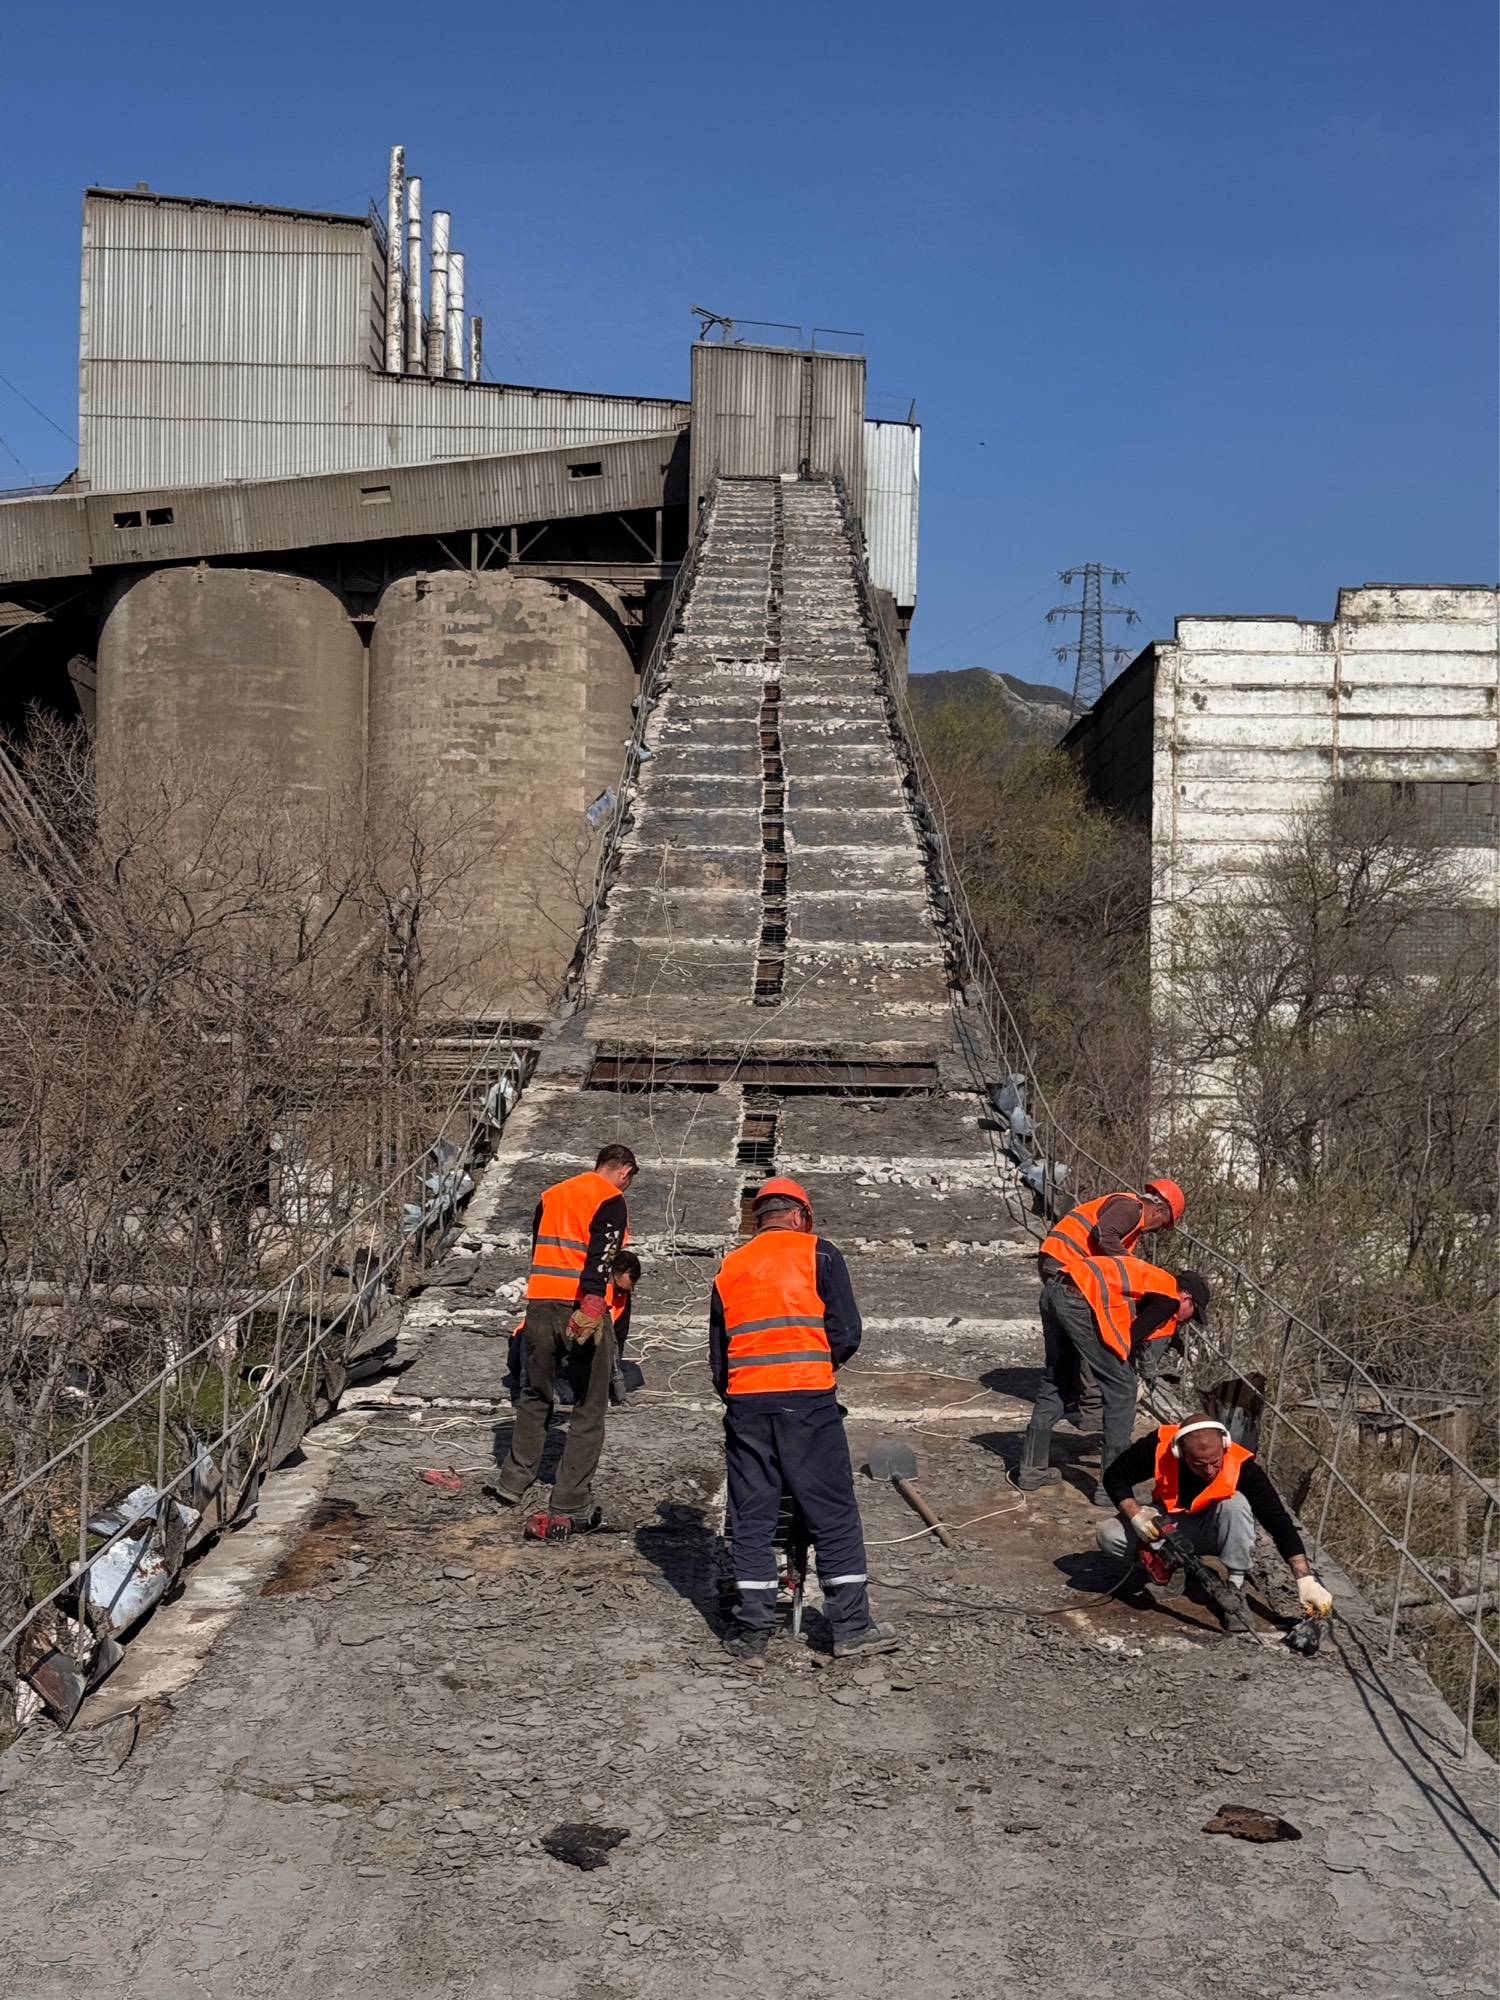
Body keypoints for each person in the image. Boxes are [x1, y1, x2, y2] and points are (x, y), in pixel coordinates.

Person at [708, 1177, 896, 1665]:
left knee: (752, 1519)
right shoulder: (820, 1253)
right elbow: (847, 1331)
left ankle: (752, 1631)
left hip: (746, 1405)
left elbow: (718, 1361)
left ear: (760, 1217)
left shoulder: (731, 1266)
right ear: (799, 1216)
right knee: (832, 1514)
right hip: (807, 1402)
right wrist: (813, 1365)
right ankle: (851, 1628)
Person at [1017, 1177, 1206, 1502]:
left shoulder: (1143, 1278)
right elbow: (1131, 1339)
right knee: (1122, 1390)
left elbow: (1125, 1329)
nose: (1189, 1320)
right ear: (1186, 1298)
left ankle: (1031, 1471)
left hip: (1056, 1289)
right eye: (1194, 1312)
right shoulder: (1165, 1291)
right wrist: (1131, 1366)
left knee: (1057, 1378)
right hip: (1074, 1290)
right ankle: (1112, 1488)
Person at [492, 1145, 637, 1542]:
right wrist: (592, 1300)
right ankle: (570, 1500)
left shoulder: (553, 1194)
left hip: (539, 1305)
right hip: (579, 1309)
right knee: (590, 1406)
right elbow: (602, 1256)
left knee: (534, 1393)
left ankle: (513, 1480)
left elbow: (540, 1245)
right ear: (623, 1170)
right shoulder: (610, 1199)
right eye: (629, 1177)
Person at [1097, 1413, 1334, 1627]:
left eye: (1215, 1462)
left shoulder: (1242, 1466)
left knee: (1236, 1503)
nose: (1210, 1471)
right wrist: (1136, 1515)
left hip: (1214, 1530)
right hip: (1169, 1526)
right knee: (1109, 1534)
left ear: (1224, 1446)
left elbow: (1277, 1520)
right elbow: (1115, 1475)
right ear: (1180, 1452)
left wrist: (1305, 1579)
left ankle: (1235, 1588)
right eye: (1199, 1465)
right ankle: (1172, 1569)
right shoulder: (1159, 1447)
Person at [607, 1250, 641, 1409]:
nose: (622, 1295)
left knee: (634, 1373)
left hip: (601, 1357)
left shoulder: (623, 1299)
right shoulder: (591, 1290)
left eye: (627, 1291)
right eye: (620, 1290)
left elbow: (619, 1340)